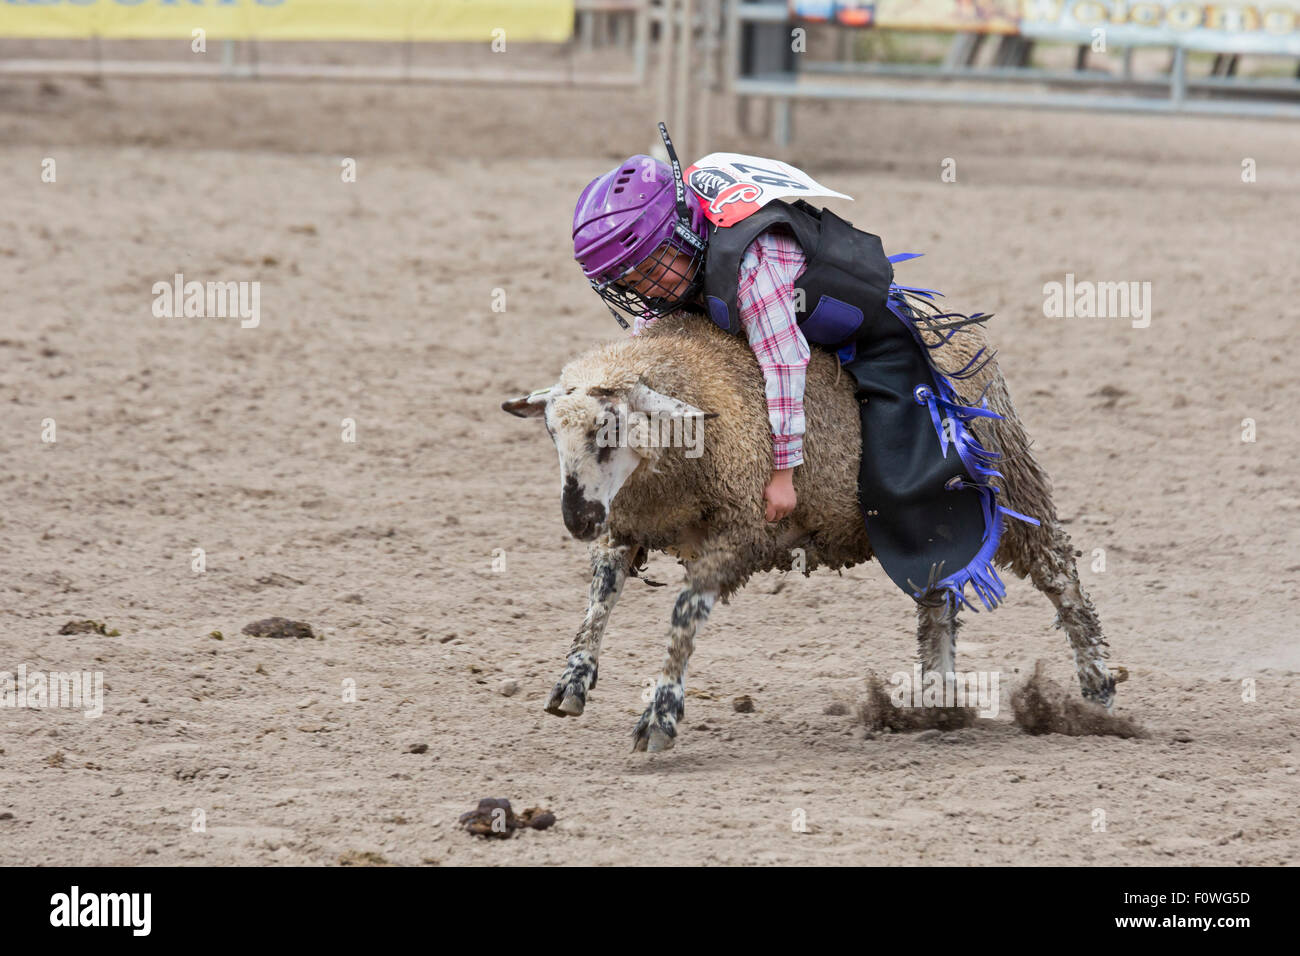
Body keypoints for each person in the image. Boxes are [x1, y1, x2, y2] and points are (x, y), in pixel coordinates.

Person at [570, 131, 1038, 613]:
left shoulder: (754, 262)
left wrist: (783, 474)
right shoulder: (677, 267)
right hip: (781, 327)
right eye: (623, 280)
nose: (638, 287)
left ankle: (947, 560)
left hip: (868, 333)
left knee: (902, 476)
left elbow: (785, 363)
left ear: (681, 234)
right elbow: (653, 338)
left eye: (645, 269)